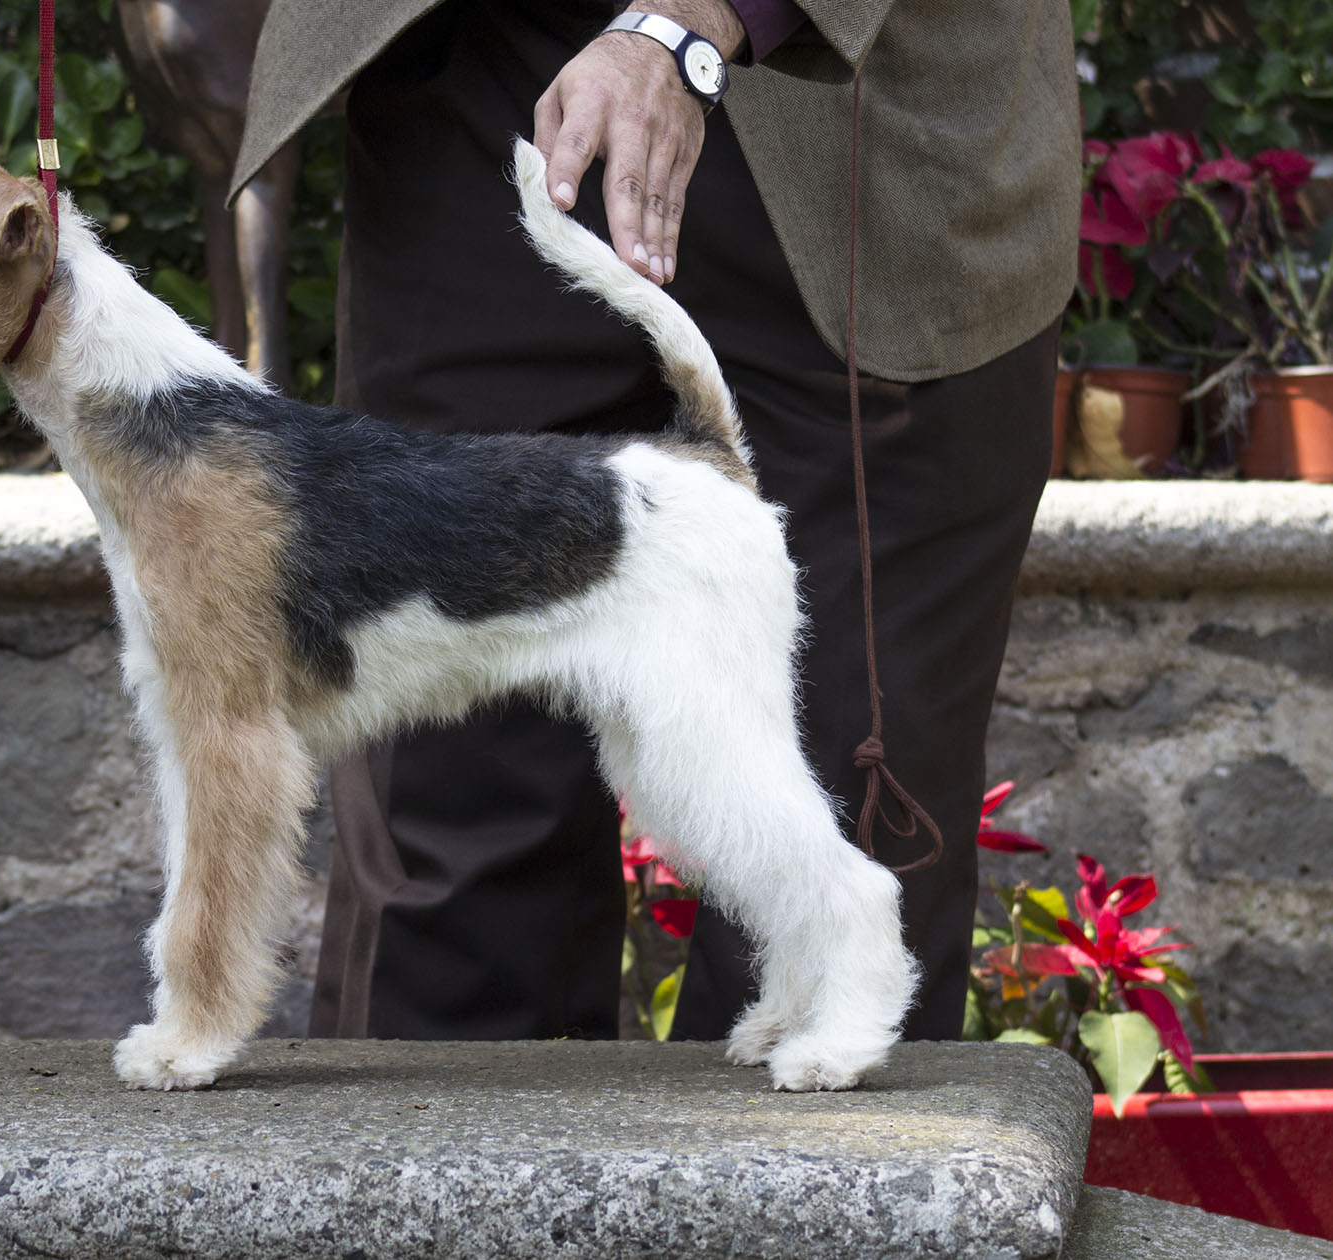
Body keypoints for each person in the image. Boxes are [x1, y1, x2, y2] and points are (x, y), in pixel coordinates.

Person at [232, 0, 1081, 1044]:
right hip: (478, 95)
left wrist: (698, 21)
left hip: (862, 119)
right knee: (446, 870)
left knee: (826, 869)